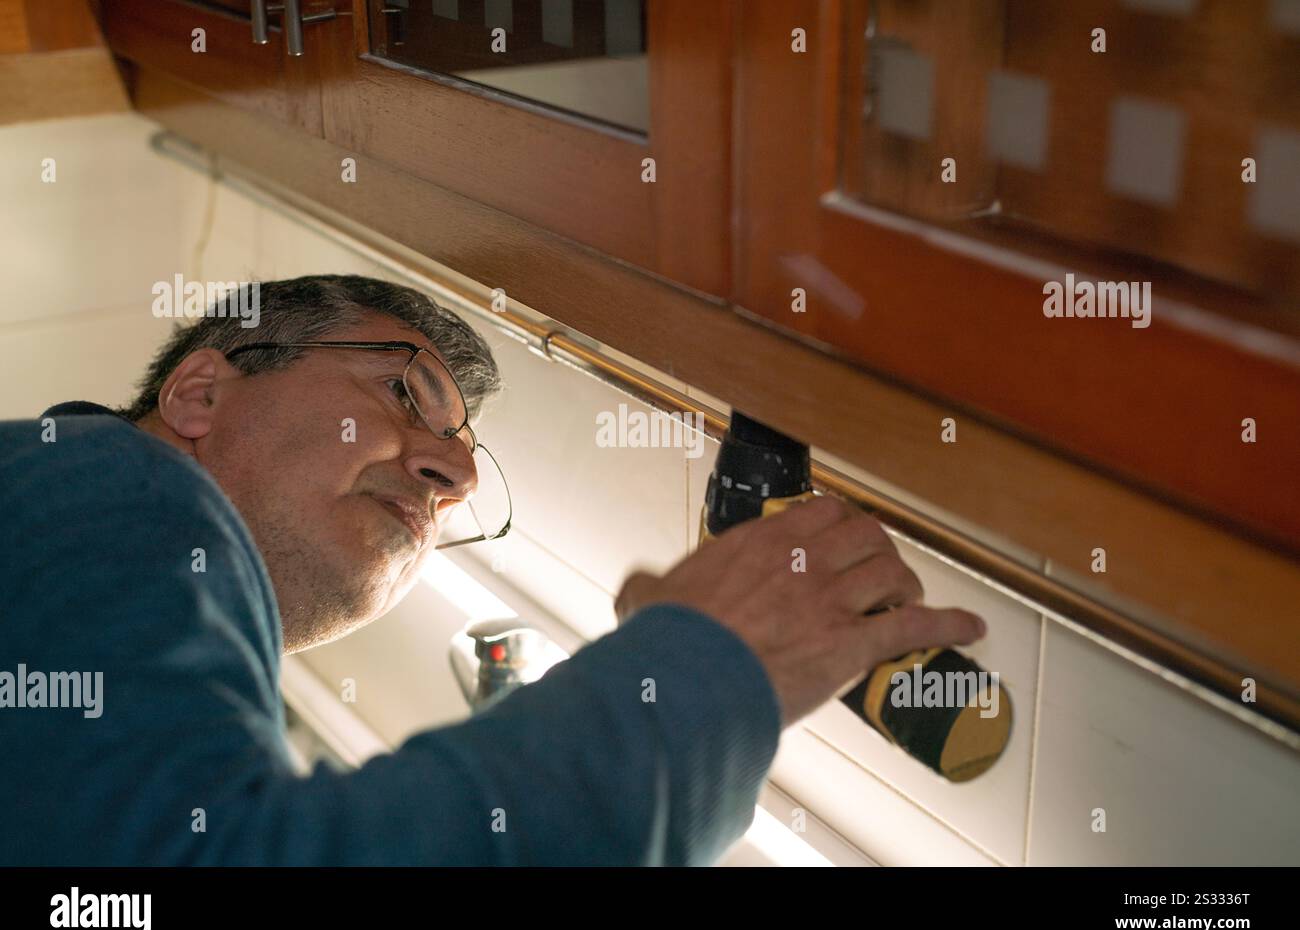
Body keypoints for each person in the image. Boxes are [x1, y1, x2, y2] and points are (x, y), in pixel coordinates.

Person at [0, 274, 984, 865]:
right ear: (201, 393)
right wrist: (697, 676)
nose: (456, 471)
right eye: (402, 393)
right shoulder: (113, 483)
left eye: (465, 452)